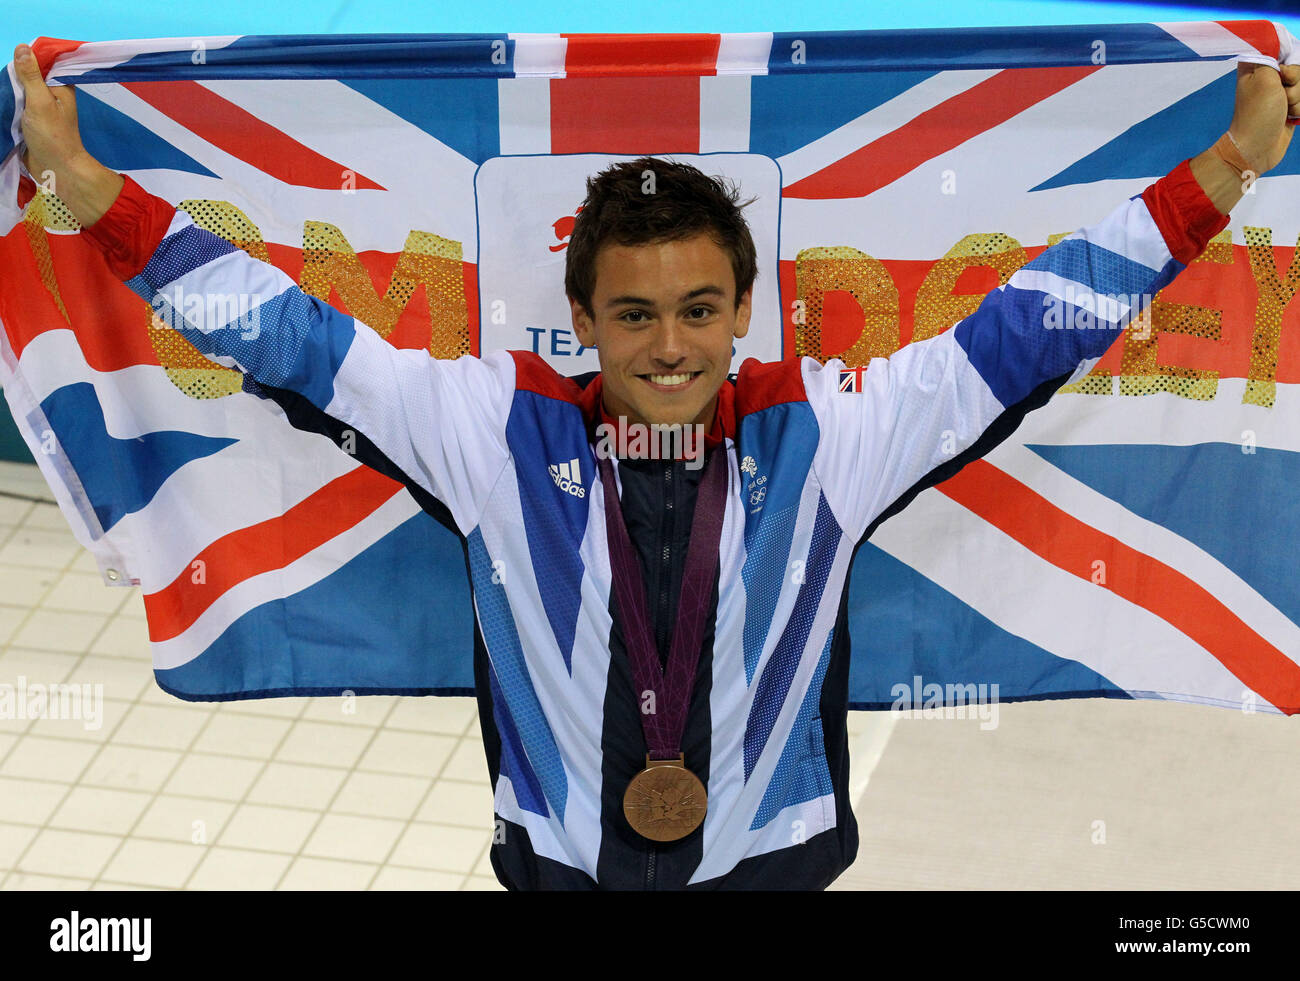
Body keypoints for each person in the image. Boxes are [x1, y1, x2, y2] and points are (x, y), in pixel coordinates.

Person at [13, 42, 1299, 890]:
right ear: (580, 323)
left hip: (772, 867)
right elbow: (278, 327)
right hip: (559, 874)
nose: (669, 345)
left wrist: (1231, 164)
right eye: (633, 314)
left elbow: (1030, 327)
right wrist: (78, 183)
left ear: (745, 310)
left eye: (698, 308)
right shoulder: (488, 434)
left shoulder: (832, 436)